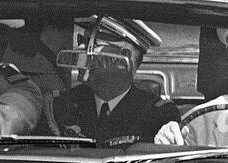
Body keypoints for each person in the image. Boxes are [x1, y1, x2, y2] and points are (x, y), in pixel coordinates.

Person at [52, 18, 181, 145]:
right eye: (81, 40)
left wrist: (165, 138)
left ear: (122, 60)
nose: (80, 48)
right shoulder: (62, 104)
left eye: (93, 45)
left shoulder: (158, 115)